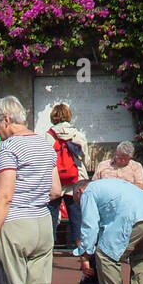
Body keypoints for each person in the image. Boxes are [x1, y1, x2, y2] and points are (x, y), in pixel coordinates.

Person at [0, 95, 61, 284]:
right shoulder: (45, 145)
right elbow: (56, 190)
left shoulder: (9, 148)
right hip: (42, 223)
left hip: (15, 225)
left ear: (6, 120)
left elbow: (4, 195)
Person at [48, 107, 85, 253]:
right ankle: (81, 249)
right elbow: (84, 157)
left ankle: (48, 248)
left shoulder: (48, 135)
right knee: (77, 216)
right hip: (74, 180)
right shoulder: (77, 134)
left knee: (51, 215)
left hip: (55, 180)